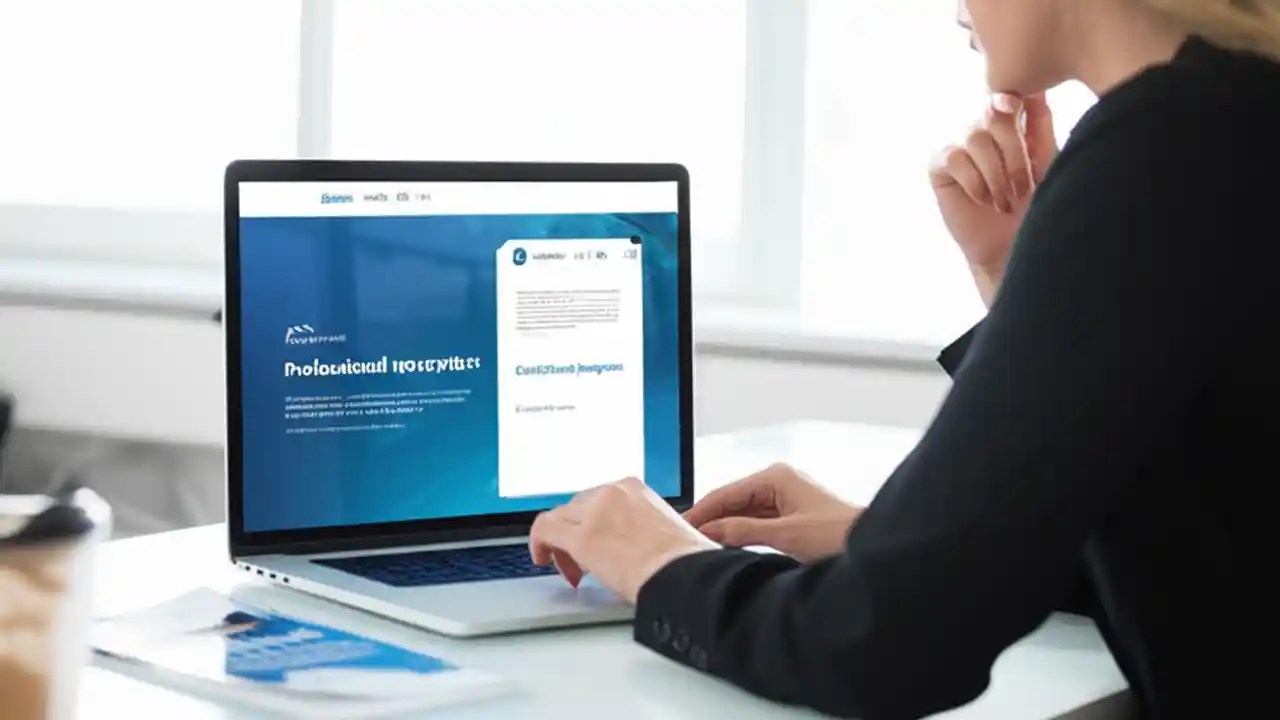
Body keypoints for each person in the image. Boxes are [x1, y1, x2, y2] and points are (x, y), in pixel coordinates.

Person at [529, 0, 1280, 717]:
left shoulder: (1160, 153)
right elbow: (1217, 522)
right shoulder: (1232, 124)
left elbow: (880, 644)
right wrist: (890, 540)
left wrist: (662, 566)